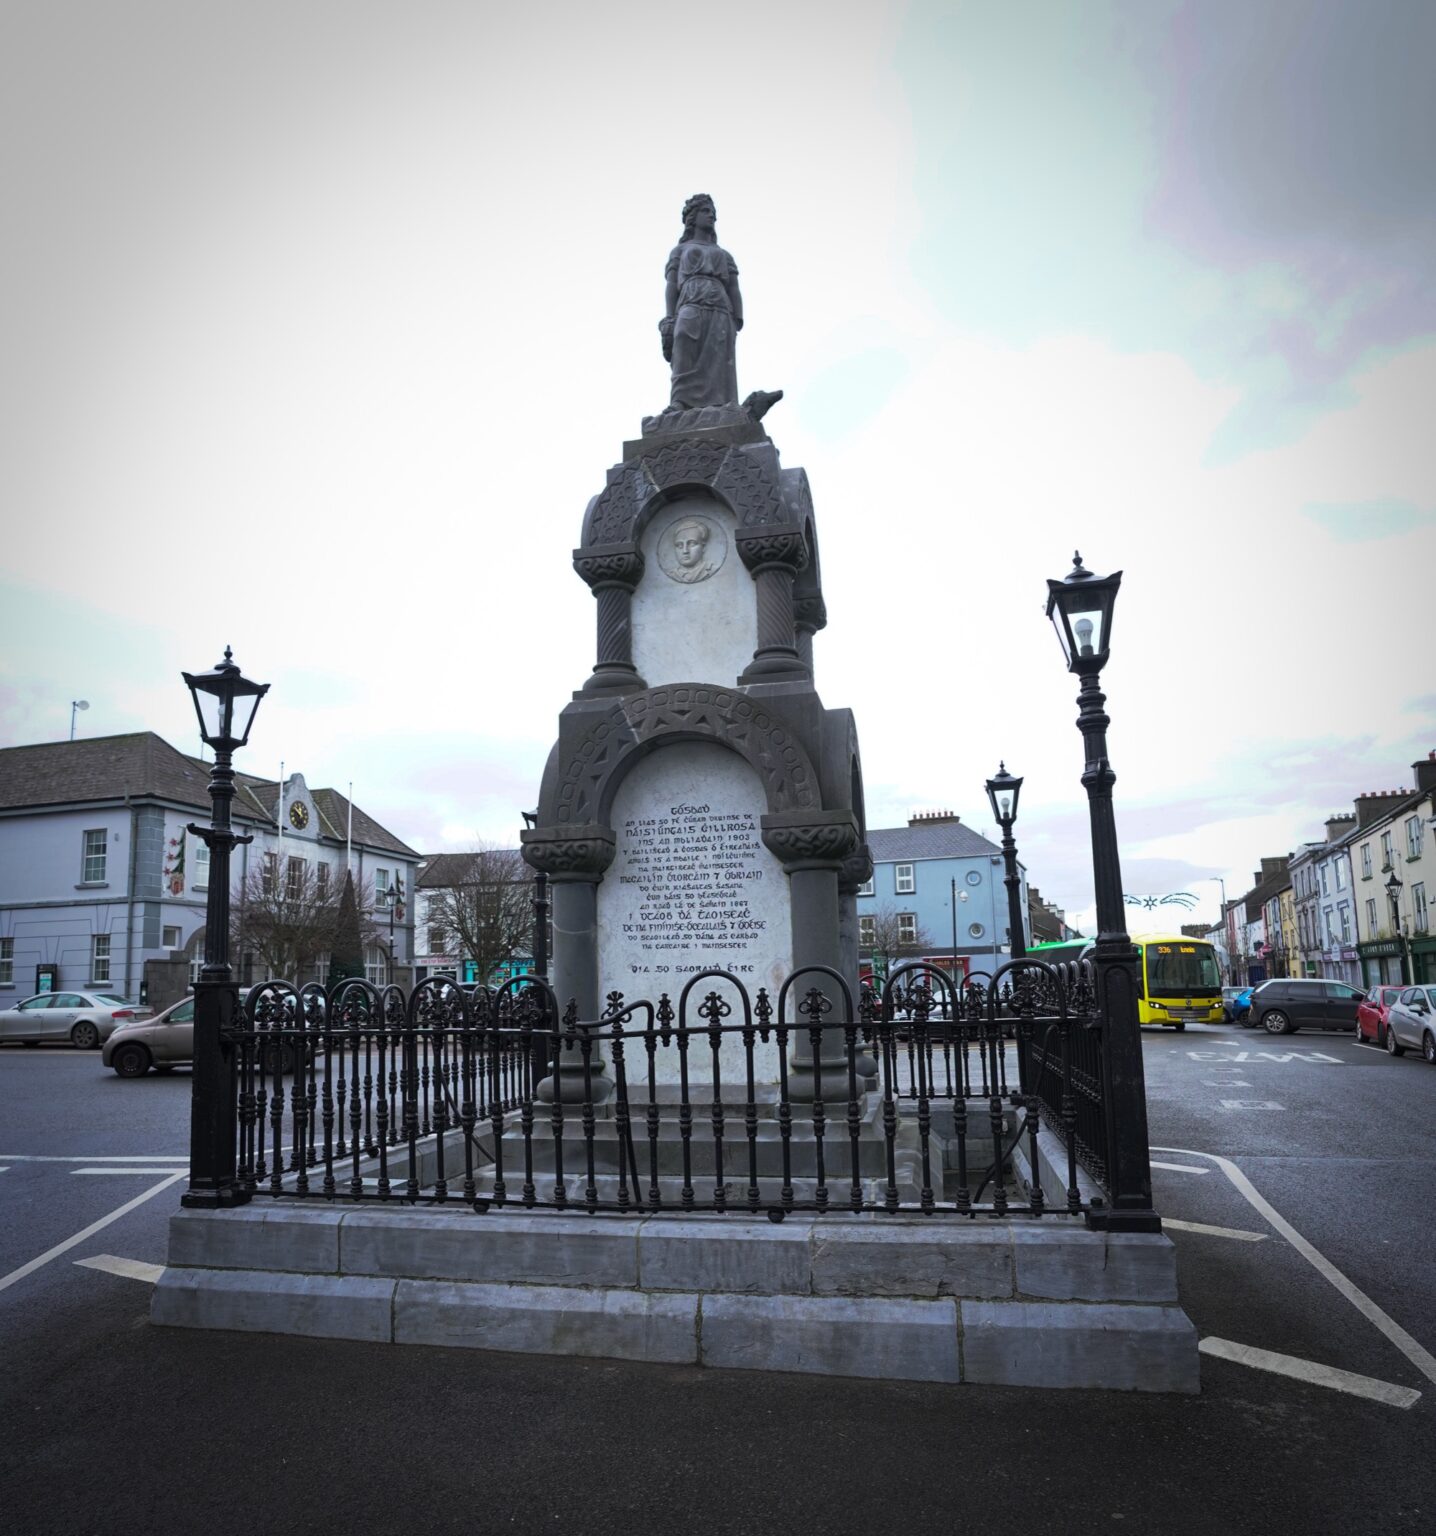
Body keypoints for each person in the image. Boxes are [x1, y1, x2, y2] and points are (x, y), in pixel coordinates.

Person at [659, 194, 743, 411]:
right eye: (706, 211)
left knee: (718, 357)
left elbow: (733, 287)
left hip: (720, 307)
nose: (711, 216)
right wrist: (669, 318)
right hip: (690, 301)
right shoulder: (679, 250)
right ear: (692, 217)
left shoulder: (724, 254)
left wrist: (738, 318)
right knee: (683, 339)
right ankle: (679, 401)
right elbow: (671, 285)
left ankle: (722, 404)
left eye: (713, 213)